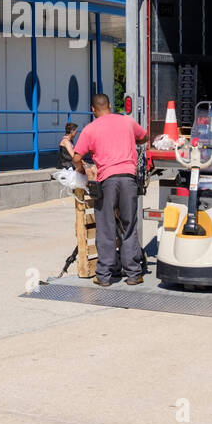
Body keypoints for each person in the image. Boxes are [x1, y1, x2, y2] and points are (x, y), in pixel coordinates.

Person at [72, 93, 148, 287]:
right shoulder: (127, 122)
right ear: (110, 105)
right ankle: (133, 274)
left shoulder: (90, 129)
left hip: (107, 181)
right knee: (128, 225)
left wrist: (82, 169)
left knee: (106, 227)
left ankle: (104, 276)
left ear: (93, 110)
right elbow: (144, 137)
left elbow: (76, 157)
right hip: (129, 178)